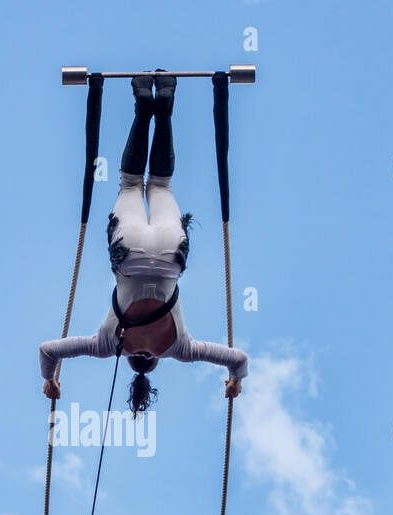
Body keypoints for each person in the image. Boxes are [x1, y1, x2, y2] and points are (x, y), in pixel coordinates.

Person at [39, 71, 248, 415]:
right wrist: (49, 379)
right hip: (130, 251)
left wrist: (235, 379)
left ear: (154, 363)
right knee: (132, 183)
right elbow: (48, 350)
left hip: (169, 253)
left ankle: (164, 105)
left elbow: (238, 359)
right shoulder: (108, 345)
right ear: (130, 361)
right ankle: (143, 103)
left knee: (161, 185)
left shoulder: (180, 348)